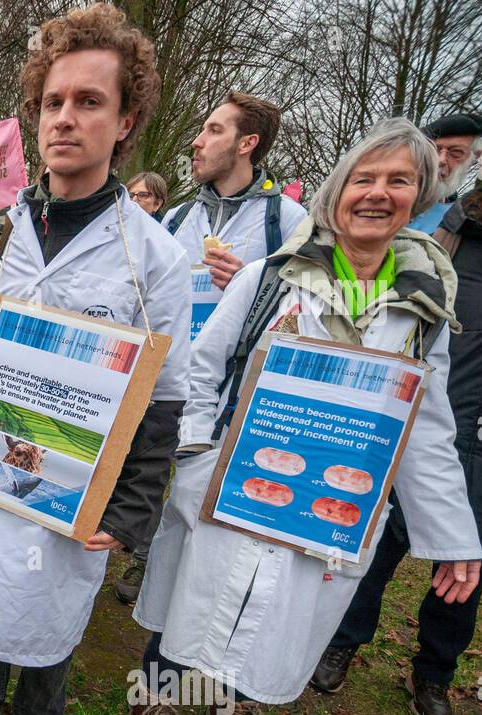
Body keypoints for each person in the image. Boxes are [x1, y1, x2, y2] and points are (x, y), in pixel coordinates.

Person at [132, 118, 482, 715]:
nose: (378, 194)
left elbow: (426, 424)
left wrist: (453, 535)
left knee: (277, 614)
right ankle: (156, 697)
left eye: (399, 181)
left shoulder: (424, 305)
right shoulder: (273, 277)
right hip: (239, 480)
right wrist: (200, 458)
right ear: (336, 191)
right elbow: (201, 369)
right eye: (365, 178)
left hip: (329, 501)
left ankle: (234, 706)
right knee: (195, 594)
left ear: (421, 194)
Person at [0, 4, 190, 715]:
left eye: (89, 102)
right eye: (53, 101)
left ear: (126, 121)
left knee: (47, 613)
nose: (65, 118)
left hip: (71, 488)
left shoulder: (154, 259)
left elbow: (165, 395)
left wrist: (136, 505)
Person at [313, 113, 482, 715]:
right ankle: (341, 642)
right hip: (415, 433)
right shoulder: (450, 249)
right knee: (377, 547)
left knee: (465, 569)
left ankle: (434, 671)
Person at [119, 91, 307, 606]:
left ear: (248, 143)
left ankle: (198, 587)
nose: (197, 142)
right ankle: (142, 556)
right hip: (169, 374)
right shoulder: (177, 219)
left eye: (213, 131)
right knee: (153, 464)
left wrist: (247, 288)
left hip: (231, 390)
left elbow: (303, 311)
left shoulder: (287, 221)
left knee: (201, 483)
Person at [408, 112, 482, 233]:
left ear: (473, 158)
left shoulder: (464, 223)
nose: (441, 160)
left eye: (456, 152)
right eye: (435, 150)